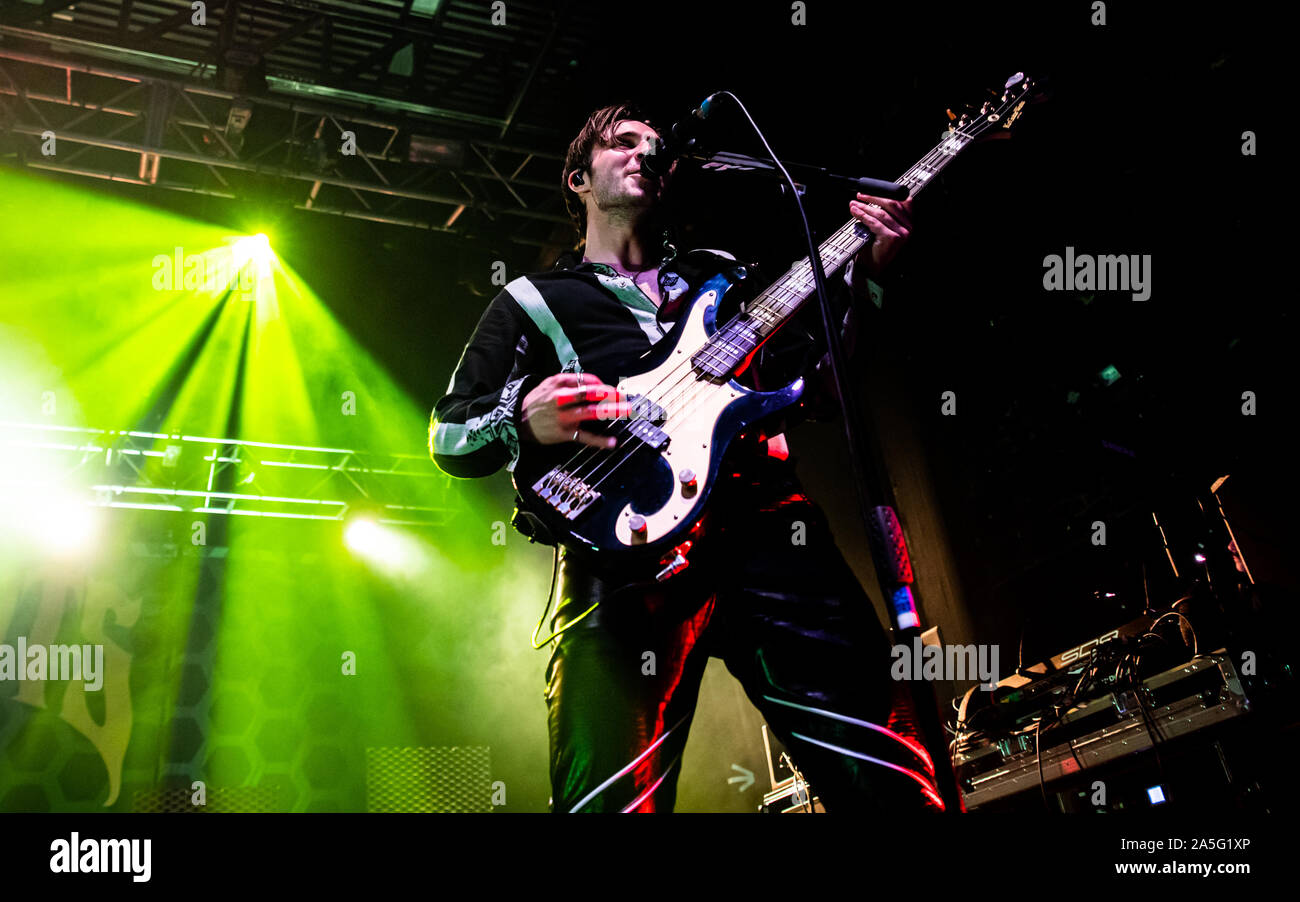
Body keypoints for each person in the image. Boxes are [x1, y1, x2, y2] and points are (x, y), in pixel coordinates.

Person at [430, 103, 942, 812]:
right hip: (624, 565)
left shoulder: (722, 277)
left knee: (895, 777)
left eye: (654, 145)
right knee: (608, 802)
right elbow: (449, 434)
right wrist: (523, 413)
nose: (645, 152)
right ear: (578, 179)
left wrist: (869, 279)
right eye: (622, 143)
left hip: (771, 533)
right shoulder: (531, 299)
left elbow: (819, 387)